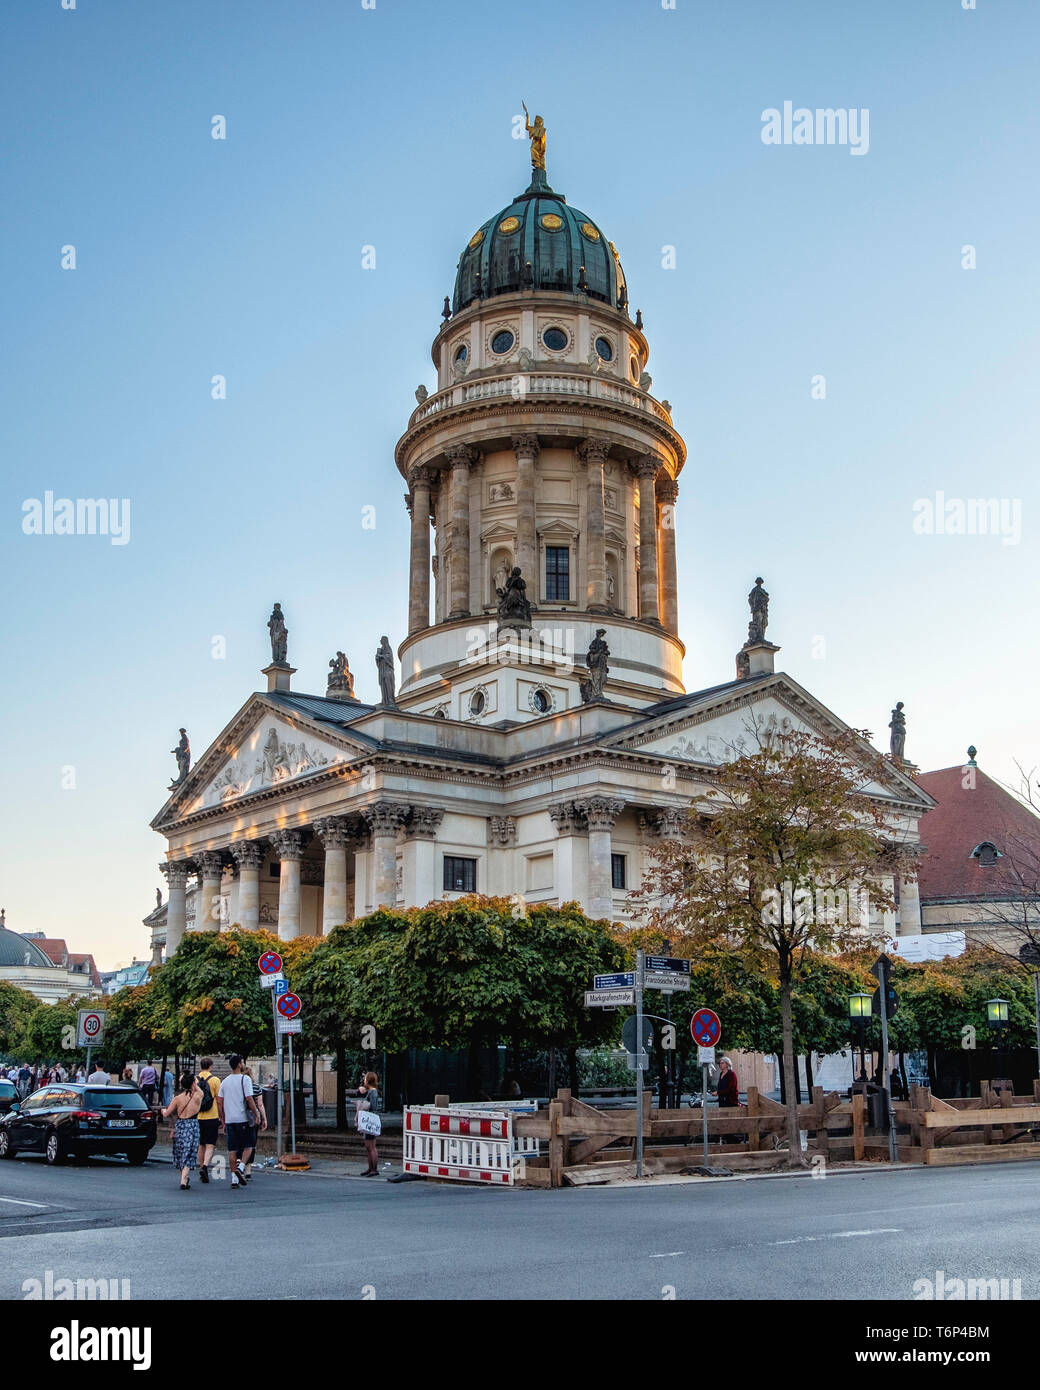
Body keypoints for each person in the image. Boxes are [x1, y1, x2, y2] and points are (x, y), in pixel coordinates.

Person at [217, 1054, 260, 1191]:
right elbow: (249, 1098)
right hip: (243, 1119)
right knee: (249, 1145)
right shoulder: (245, 1079)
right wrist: (256, 1114)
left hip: (230, 1120)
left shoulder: (224, 1082)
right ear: (239, 1065)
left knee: (232, 1150)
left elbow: (219, 1102)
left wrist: (223, 1119)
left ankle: (234, 1179)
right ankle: (241, 1168)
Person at [162, 1072, 203, 1190]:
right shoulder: (198, 1095)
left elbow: (166, 1113)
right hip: (193, 1125)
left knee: (180, 1151)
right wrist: (194, 1083)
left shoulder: (177, 1098)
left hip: (180, 1125)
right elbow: (197, 1087)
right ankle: (184, 1179)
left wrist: (162, 1111)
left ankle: (184, 1177)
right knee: (190, 1151)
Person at [195, 1057, 221, 1183]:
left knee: (200, 1144)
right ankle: (205, 1165)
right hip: (212, 1115)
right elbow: (219, 1098)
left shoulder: (194, 1080)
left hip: (198, 1116)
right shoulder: (215, 1080)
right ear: (210, 1066)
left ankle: (201, 1168)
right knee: (210, 1144)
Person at [241, 1066, 268, 1178]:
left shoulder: (239, 1086)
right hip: (253, 1117)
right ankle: (248, 1170)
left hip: (240, 1117)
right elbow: (260, 1104)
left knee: (240, 1143)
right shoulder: (256, 1087)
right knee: (251, 1143)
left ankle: (239, 1165)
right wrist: (264, 1118)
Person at [355, 1071, 381, 1177]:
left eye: (365, 1078)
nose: (364, 1080)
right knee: (368, 1146)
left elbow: (373, 1107)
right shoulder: (370, 1091)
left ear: (368, 1080)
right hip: (368, 1121)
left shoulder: (373, 1092)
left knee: (371, 1146)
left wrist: (363, 1106)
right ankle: (370, 1168)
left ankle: (374, 1169)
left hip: (370, 1121)